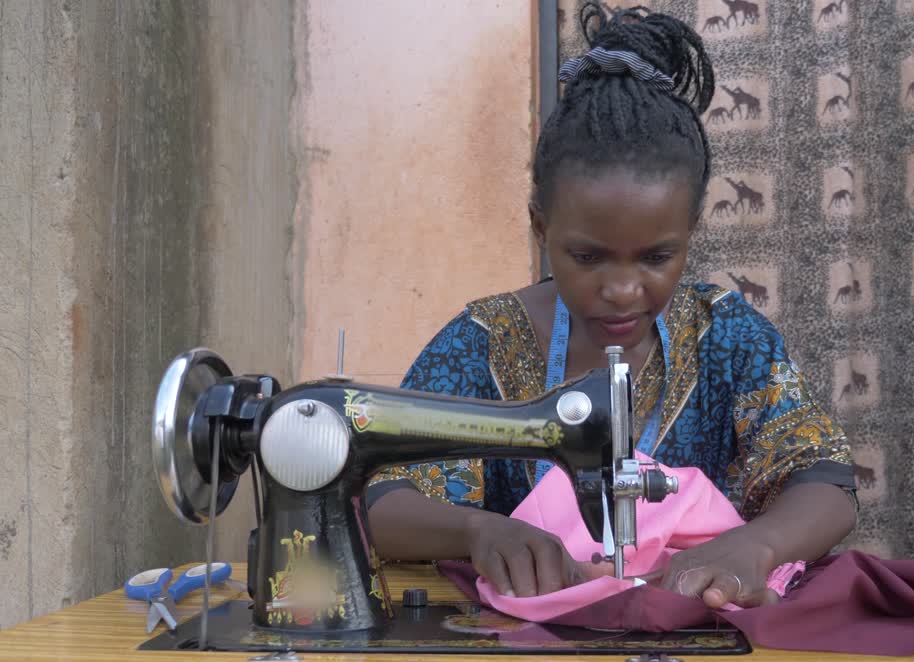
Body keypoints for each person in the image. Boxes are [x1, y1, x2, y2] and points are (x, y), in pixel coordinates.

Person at [365, 2, 856, 611]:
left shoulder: (729, 337)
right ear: (541, 227)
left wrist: (756, 547)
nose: (624, 290)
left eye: (655, 258)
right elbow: (386, 500)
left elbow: (824, 478)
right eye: (590, 258)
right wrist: (478, 530)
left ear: (692, 230)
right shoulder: (479, 344)